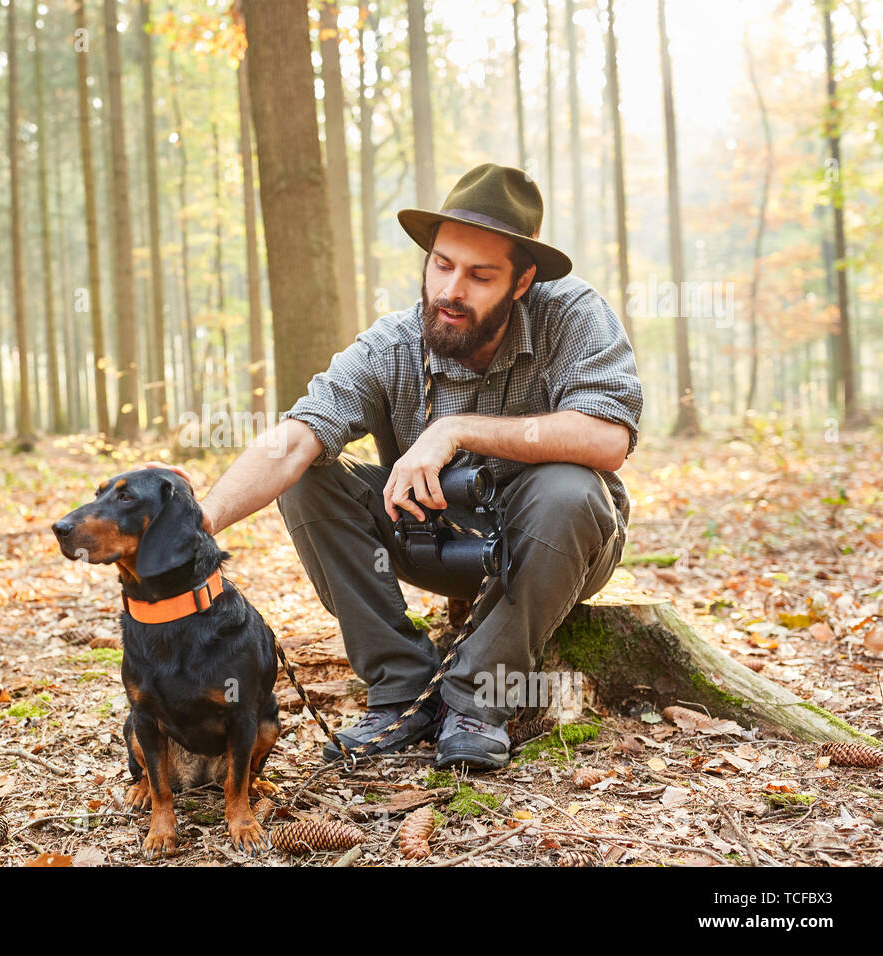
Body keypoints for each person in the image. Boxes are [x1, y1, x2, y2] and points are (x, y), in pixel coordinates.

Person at [173, 163, 643, 771]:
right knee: (310, 475)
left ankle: (478, 700)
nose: (452, 290)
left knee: (570, 488)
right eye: (442, 264)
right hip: (435, 541)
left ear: (522, 280)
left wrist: (455, 430)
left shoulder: (572, 316)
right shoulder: (392, 345)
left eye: (480, 275)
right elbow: (292, 440)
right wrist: (202, 518)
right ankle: (400, 689)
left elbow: (608, 438)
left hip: (555, 546)